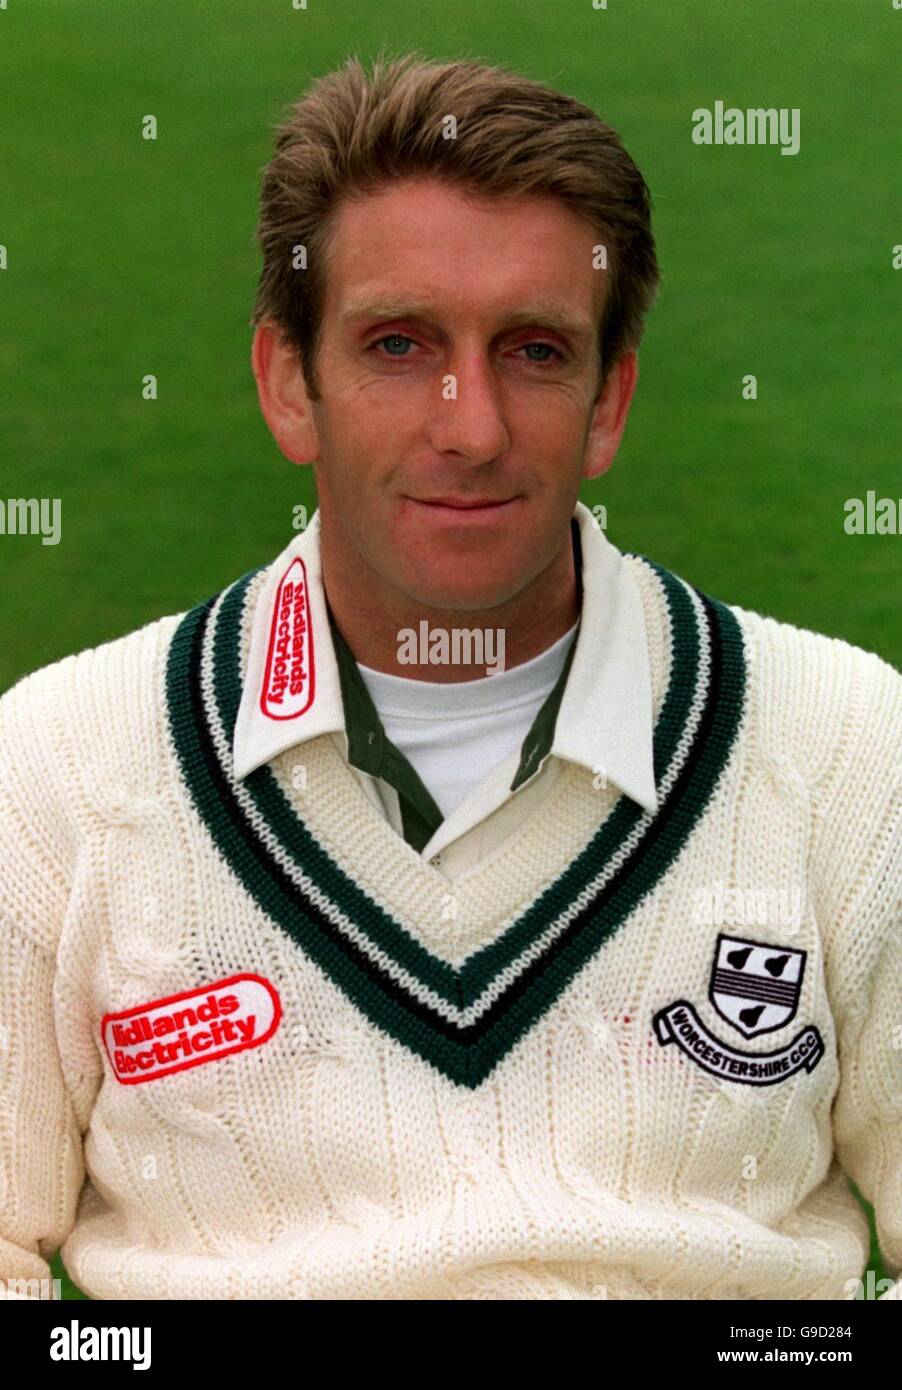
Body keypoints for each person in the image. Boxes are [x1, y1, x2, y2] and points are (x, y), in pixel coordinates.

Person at [0, 53, 898, 1302]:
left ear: (607, 401)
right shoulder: (52, 766)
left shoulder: (855, 749)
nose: (468, 424)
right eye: (397, 343)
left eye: (532, 351)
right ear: (287, 382)